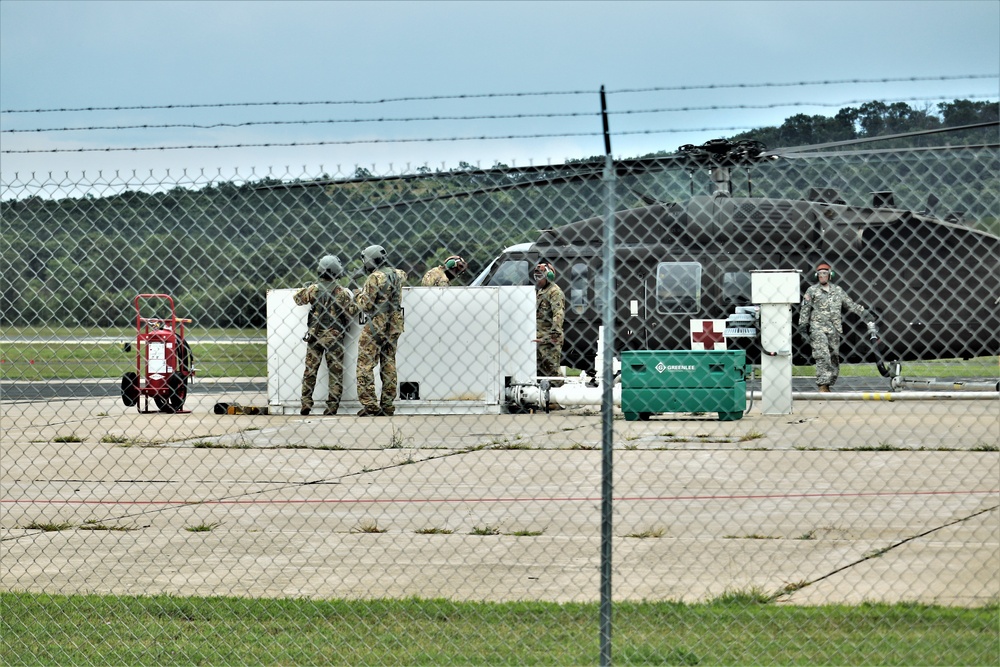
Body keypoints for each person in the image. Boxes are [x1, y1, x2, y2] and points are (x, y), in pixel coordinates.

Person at [798, 262, 877, 392]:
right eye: (820, 274)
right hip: (817, 328)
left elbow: (850, 304)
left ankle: (828, 383)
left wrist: (864, 313)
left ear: (830, 275)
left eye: (825, 273)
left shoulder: (838, 290)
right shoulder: (812, 291)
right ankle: (822, 385)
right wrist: (803, 327)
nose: (822, 276)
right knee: (822, 355)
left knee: (834, 357)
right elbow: (805, 309)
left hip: (834, 329)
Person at [293, 255, 357, 415]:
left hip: (315, 335)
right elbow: (352, 311)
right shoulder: (341, 293)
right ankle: (332, 406)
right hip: (335, 337)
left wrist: (305, 287)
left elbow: (298, 300)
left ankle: (306, 402)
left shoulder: (314, 289)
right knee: (335, 373)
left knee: (310, 371)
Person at [355, 244, 407, 416]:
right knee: (389, 363)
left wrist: (358, 294)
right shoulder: (398, 274)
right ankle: (387, 405)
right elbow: (403, 275)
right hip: (394, 324)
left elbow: (366, 304)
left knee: (365, 365)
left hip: (376, 324)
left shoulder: (374, 278)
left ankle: (370, 405)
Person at [533, 261, 566, 391]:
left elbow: (558, 314)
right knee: (540, 370)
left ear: (549, 276)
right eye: (536, 276)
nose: (538, 279)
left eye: (540, 276)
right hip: (539, 337)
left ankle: (561, 397)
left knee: (552, 371)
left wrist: (554, 334)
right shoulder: (541, 291)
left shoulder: (554, 292)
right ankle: (545, 398)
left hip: (549, 338)